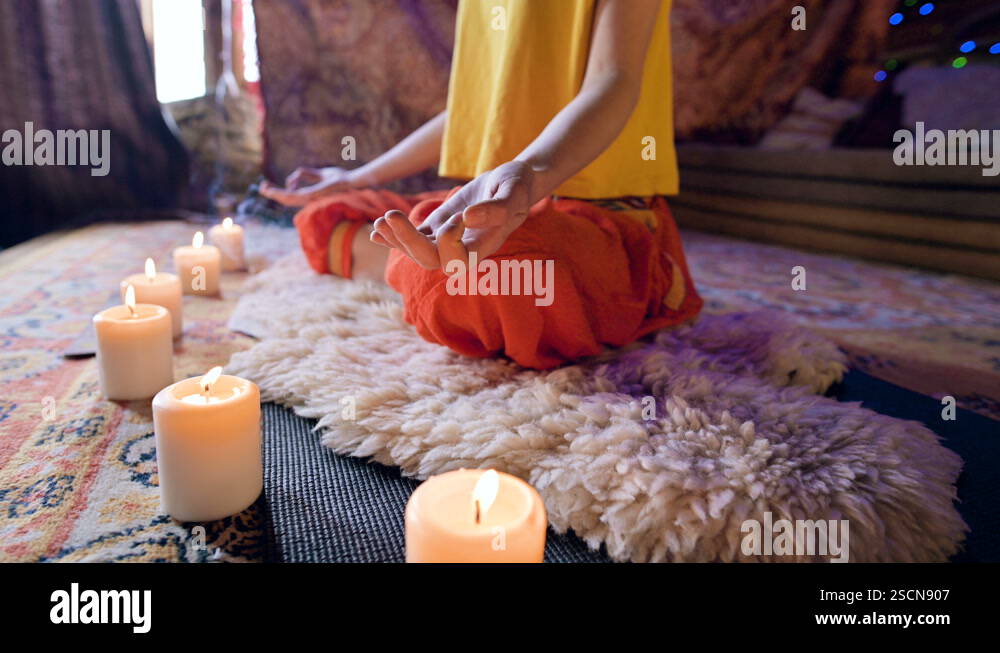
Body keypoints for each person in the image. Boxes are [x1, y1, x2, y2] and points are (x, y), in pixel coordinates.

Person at [261, 0, 702, 369]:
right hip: (502, 205)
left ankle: (411, 264)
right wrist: (356, 177)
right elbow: (471, 111)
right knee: (324, 213)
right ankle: (419, 262)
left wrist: (529, 175)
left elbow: (613, 79)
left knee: (494, 276)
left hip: (596, 214)